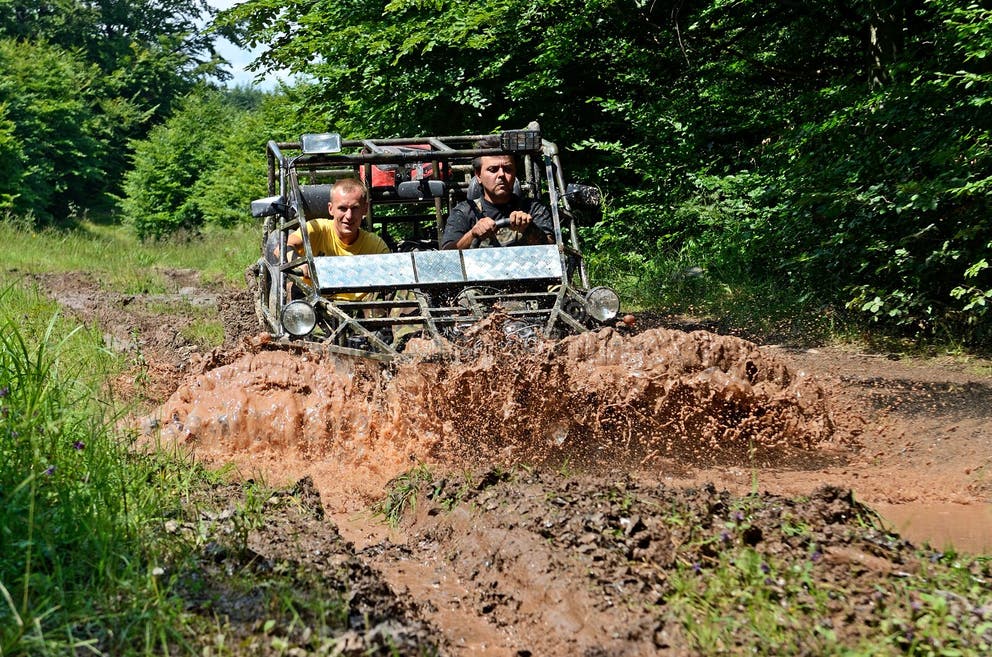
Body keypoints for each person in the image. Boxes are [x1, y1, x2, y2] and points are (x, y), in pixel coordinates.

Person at [281, 178, 389, 301]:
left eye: (355, 208)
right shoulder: (317, 229)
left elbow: (393, 276)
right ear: (331, 209)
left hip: (362, 310)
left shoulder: (375, 245)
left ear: (365, 209)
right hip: (315, 305)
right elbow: (282, 247)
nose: (349, 216)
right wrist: (299, 262)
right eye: (342, 208)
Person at [441, 139, 555, 250]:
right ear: (478, 175)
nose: (501, 174)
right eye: (493, 169)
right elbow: (447, 256)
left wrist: (529, 229)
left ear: (515, 173)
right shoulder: (465, 212)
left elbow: (553, 250)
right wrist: (472, 234)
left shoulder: (533, 209)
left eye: (507, 169)